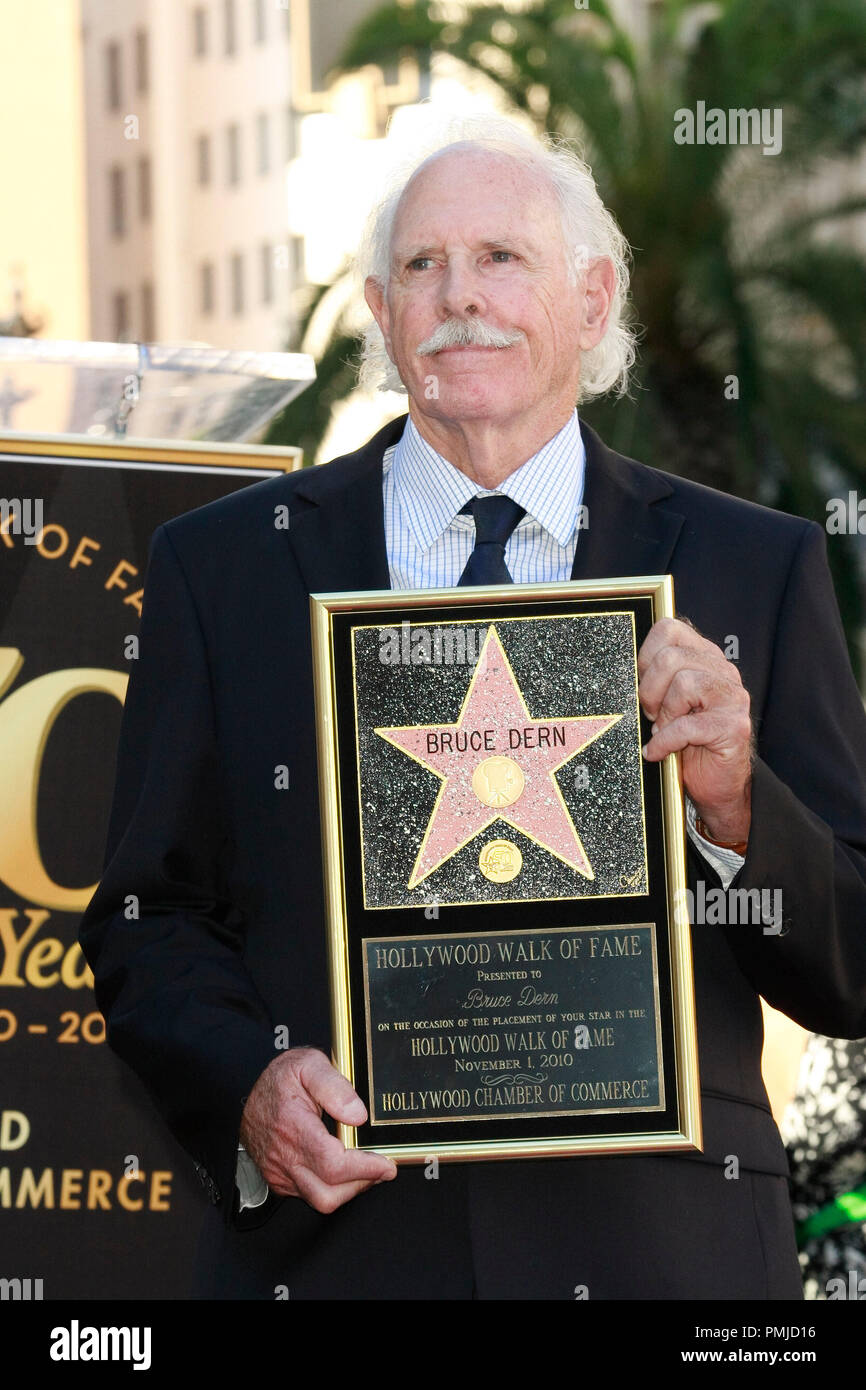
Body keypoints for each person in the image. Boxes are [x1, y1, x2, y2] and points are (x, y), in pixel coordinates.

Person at [79, 116, 866, 1299]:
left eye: (502, 257)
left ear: (592, 300)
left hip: (664, 1258)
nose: (460, 297)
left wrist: (737, 808)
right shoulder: (224, 569)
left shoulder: (751, 566)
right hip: (343, 1256)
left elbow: (850, 962)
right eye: (420, 265)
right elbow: (147, 918)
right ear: (377, 311)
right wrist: (251, 1081)